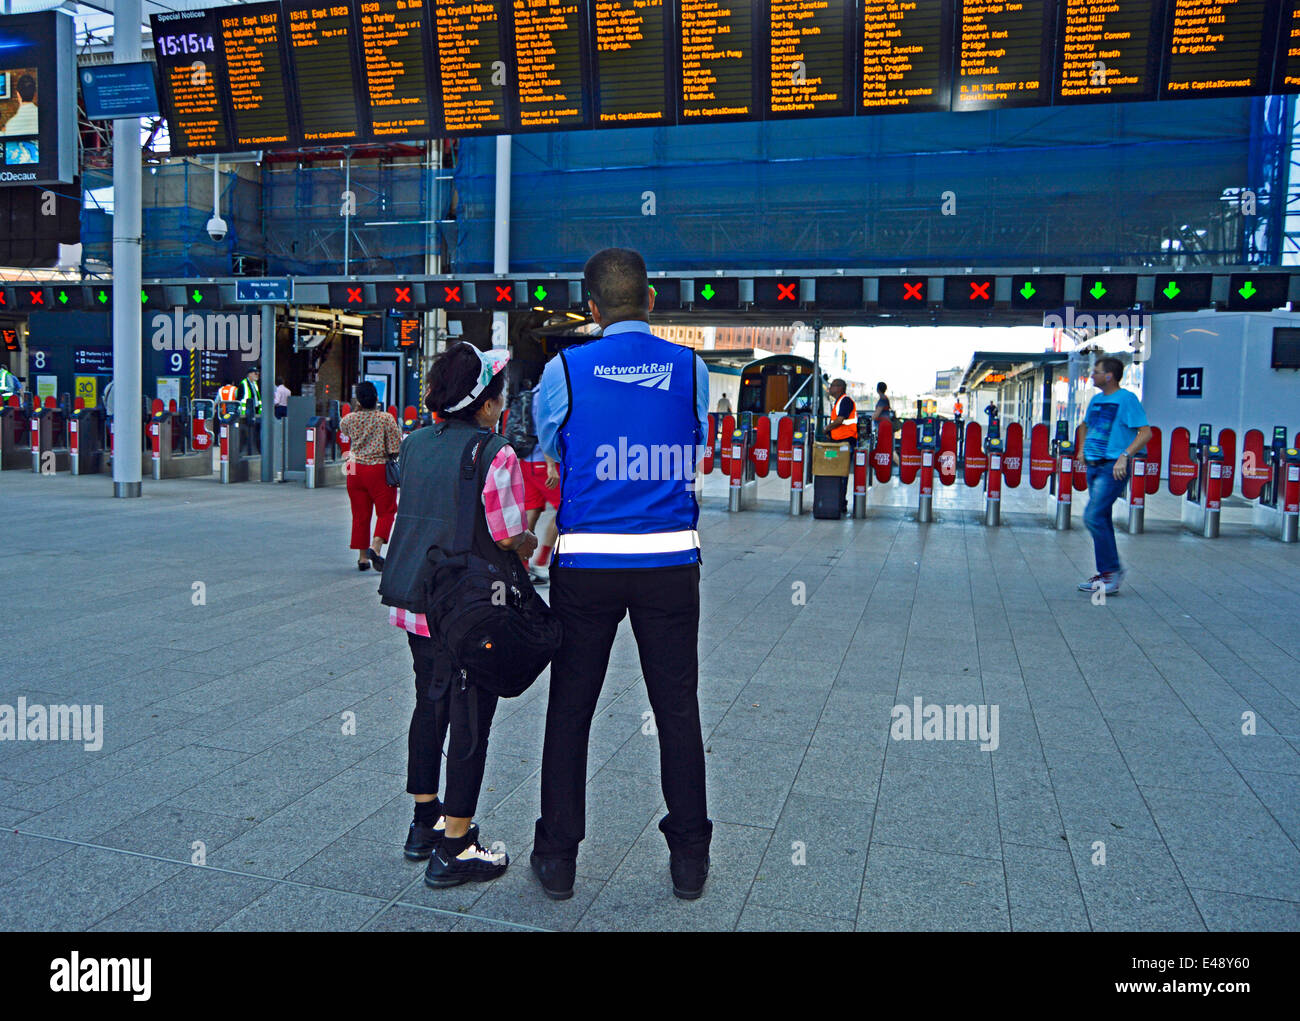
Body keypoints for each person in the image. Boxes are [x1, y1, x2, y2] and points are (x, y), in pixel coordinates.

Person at [530, 247, 713, 902]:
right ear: (653, 300)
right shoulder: (691, 367)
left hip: (588, 566)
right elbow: (699, 441)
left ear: (593, 308)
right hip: (669, 565)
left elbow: (554, 448)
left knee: (571, 707)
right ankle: (690, 855)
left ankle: (557, 856)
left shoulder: (564, 371)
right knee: (676, 707)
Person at [378, 342, 537, 888]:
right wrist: (532, 538)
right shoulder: (496, 454)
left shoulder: (415, 444)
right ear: (487, 404)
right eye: (500, 395)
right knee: (470, 723)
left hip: (416, 601)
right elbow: (507, 534)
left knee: (429, 705)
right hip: (468, 612)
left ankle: (424, 822)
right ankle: (457, 845)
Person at [1076, 356, 1151, 596]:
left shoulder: (1127, 399)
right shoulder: (1097, 400)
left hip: (1112, 467)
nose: (1092, 376)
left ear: (1109, 376)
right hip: (1094, 465)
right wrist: (1081, 449)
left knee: (1093, 516)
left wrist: (1124, 456)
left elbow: (1145, 432)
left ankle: (1112, 571)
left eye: (1096, 372)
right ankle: (1105, 573)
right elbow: (1085, 425)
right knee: (1102, 518)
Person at [338, 381, 401, 572]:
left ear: (358, 400)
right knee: (387, 511)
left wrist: (358, 410)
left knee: (360, 515)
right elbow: (394, 447)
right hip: (378, 469)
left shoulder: (349, 419)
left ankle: (363, 558)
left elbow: (343, 430)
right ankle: (375, 546)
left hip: (354, 470)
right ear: (376, 398)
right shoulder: (385, 419)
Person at [516, 379, 560, 586]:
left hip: (527, 462)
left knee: (531, 511)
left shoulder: (530, 393)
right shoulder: (549, 396)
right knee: (565, 510)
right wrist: (551, 465)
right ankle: (542, 559)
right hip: (544, 463)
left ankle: (522, 565)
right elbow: (546, 431)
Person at [826, 378, 857, 513]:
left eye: (832, 386)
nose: (830, 388)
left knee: (841, 473)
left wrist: (826, 429)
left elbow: (840, 420)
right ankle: (836, 500)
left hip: (845, 445)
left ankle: (840, 502)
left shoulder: (845, 401)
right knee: (833, 469)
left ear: (839, 388)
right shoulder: (838, 402)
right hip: (836, 444)